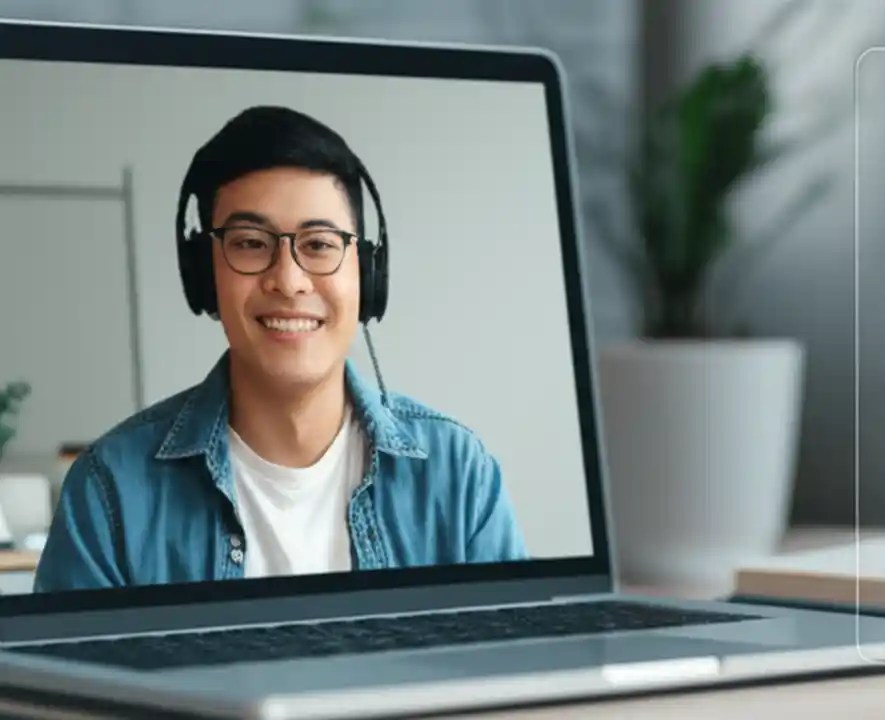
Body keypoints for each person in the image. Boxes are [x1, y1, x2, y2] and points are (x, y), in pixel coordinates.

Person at [35, 106, 527, 592]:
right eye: (250, 243)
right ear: (205, 276)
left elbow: (512, 663)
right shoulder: (110, 491)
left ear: (367, 273)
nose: (288, 281)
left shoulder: (460, 474)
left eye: (318, 244)